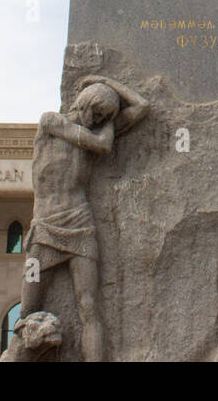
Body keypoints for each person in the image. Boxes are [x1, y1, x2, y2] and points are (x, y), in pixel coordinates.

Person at [20, 75, 149, 361]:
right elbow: (100, 145)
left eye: (104, 117)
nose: (98, 119)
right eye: (97, 111)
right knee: (27, 309)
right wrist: (107, 126)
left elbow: (142, 105)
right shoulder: (51, 122)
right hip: (43, 228)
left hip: (81, 224)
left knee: (89, 306)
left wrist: (106, 80)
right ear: (84, 102)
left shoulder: (101, 132)